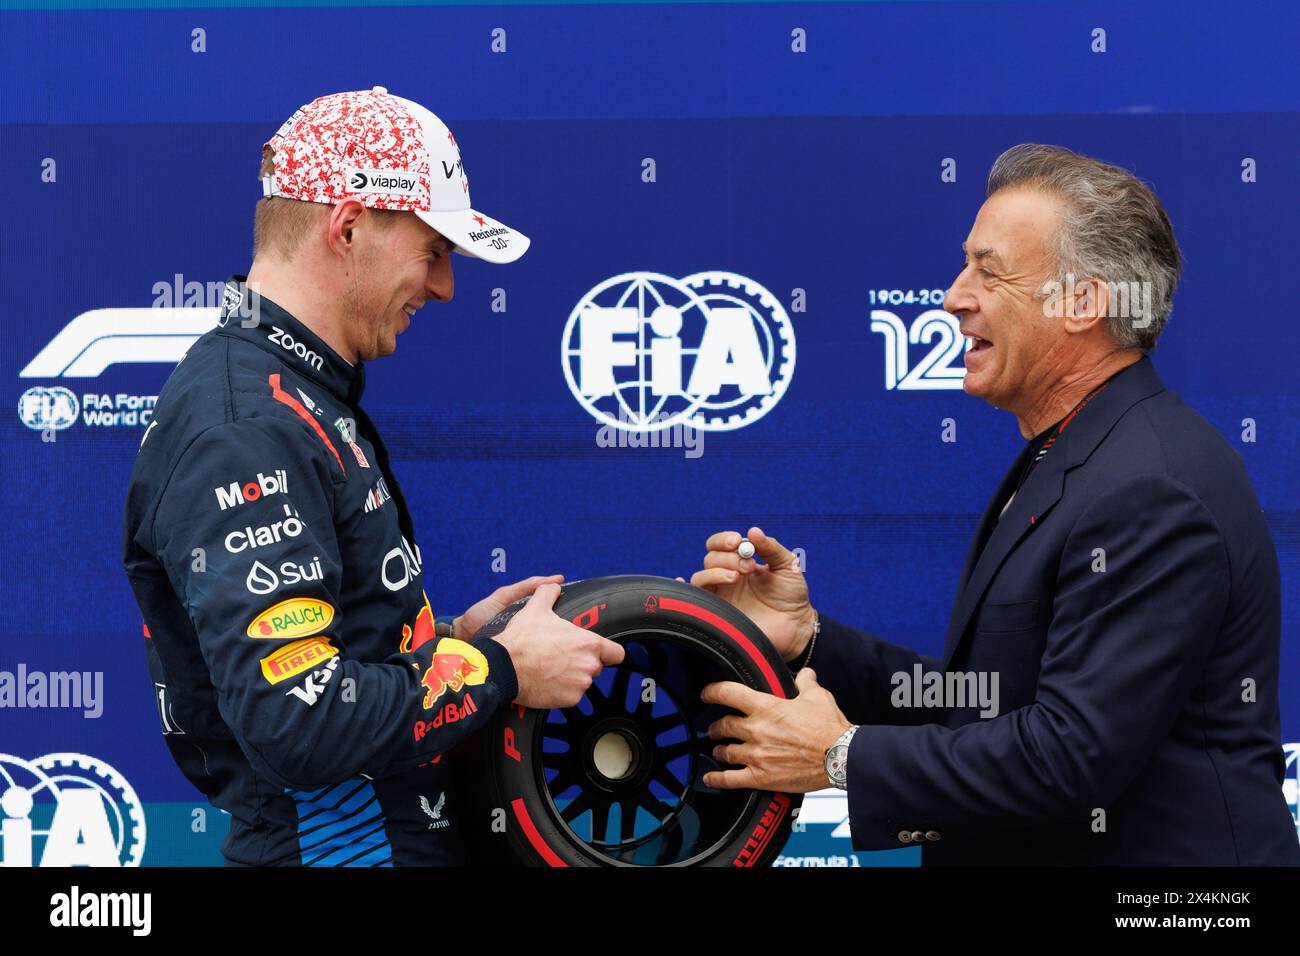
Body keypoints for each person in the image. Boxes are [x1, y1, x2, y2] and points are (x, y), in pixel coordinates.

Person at [690, 144, 1300, 866]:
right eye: (964, 265)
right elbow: (986, 701)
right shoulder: (1074, 451)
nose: (953, 296)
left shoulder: (1151, 485)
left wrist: (840, 756)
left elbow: (1072, 754)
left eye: (989, 269)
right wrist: (808, 638)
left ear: (1085, 302)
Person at [123, 87, 623, 866]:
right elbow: (299, 721)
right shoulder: (247, 427)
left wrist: (449, 638)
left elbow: (322, 655)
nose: (446, 286)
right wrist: (502, 669)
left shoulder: (296, 395)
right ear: (349, 225)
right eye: (434, 250)